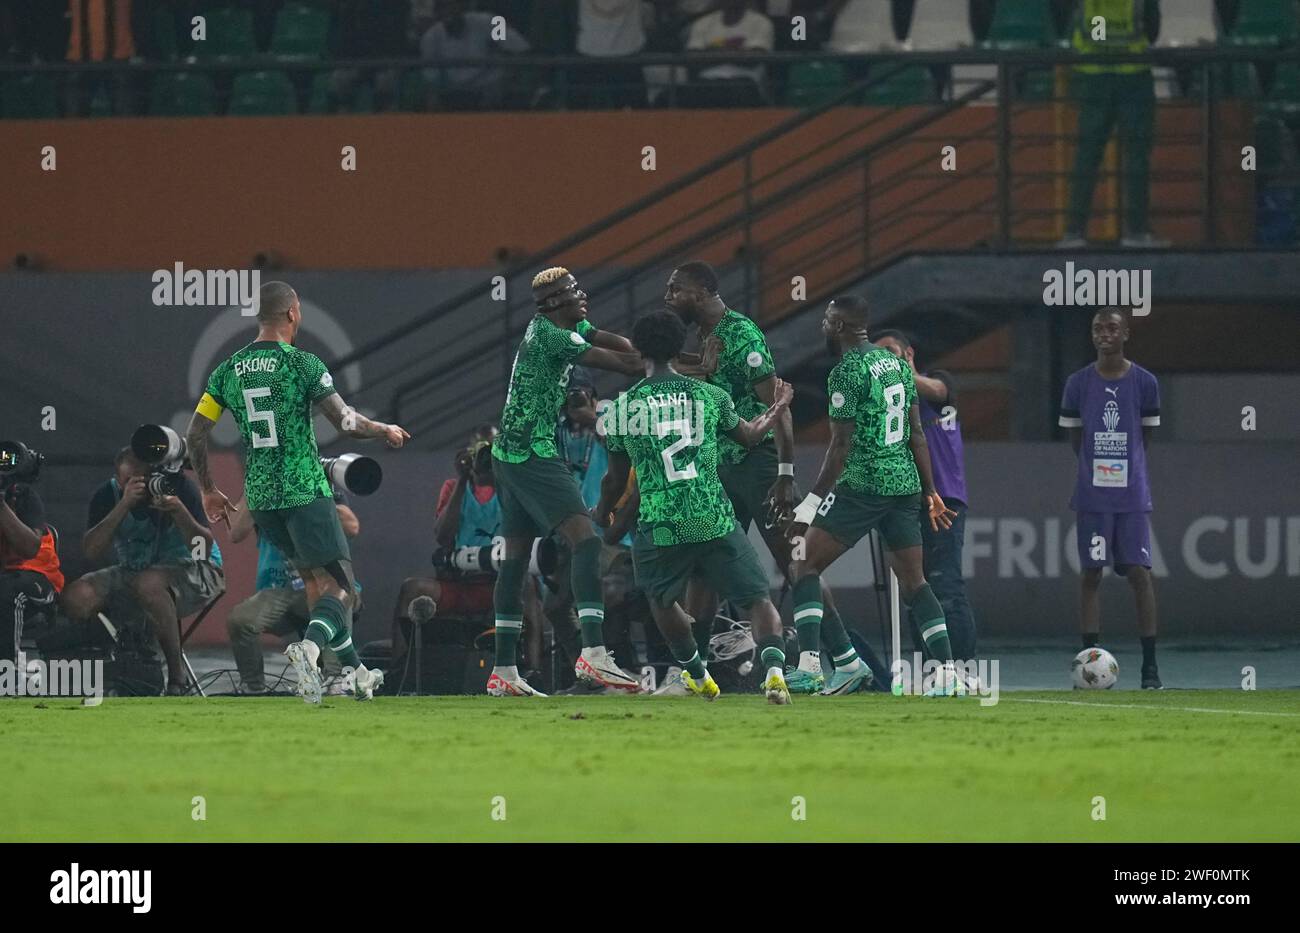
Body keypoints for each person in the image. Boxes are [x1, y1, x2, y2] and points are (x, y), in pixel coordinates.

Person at [186, 280, 411, 704]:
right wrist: (384, 429)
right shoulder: (303, 364)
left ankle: (356, 672)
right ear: (292, 314)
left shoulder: (227, 370)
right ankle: (309, 647)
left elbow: (195, 433)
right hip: (303, 488)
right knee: (341, 586)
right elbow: (346, 422)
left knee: (312, 581)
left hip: (262, 497)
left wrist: (209, 490)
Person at [594, 309, 796, 703]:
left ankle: (697, 674)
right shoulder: (709, 395)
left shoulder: (622, 409)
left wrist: (602, 514)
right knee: (757, 599)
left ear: (639, 350)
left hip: (661, 524)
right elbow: (751, 436)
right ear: (678, 349)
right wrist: (778, 405)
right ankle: (774, 672)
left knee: (661, 600)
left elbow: (614, 480)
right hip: (712, 516)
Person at [664, 261, 842, 695]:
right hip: (721, 466)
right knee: (705, 566)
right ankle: (696, 672)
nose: (669, 298)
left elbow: (778, 405)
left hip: (757, 466)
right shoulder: (705, 335)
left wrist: (785, 472)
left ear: (701, 291)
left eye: (675, 290)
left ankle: (845, 659)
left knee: (795, 560)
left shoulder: (743, 335)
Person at [786, 295, 965, 697]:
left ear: (840, 326)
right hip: (904, 486)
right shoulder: (897, 366)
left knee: (802, 564)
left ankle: (811, 667)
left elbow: (840, 447)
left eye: (827, 320)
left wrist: (810, 504)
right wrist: (930, 491)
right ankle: (948, 674)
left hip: (863, 486)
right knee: (915, 582)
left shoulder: (846, 372)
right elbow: (916, 433)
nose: (823, 326)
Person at [486, 266, 645, 697]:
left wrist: (645, 351)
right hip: (533, 454)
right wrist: (669, 360)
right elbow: (626, 364)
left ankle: (503, 670)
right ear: (555, 302)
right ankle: (594, 654)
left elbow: (617, 345)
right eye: (573, 291)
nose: (582, 295)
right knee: (587, 542)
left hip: (509, 454)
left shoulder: (561, 326)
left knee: (515, 561)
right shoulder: (553, 337)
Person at [63, 447, 225, 695]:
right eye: (131, 481)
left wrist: (179, 511)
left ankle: (177, 677)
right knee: (77, 596)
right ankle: (121, 661)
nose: (142, 486)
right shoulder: (108, 495)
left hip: (195, 569)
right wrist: (123, 505)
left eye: (146, 479)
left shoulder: (179, 487)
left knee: (148, 585)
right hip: (135, 569)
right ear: (118, 480)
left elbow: (202, 549)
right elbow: (92, 551)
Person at [1058, 308, 1162, 688]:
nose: (1104, 334)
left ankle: (1150, 668)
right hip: (1093, 497)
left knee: (1139, 573)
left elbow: (1145, 436)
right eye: (1098, 328)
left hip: (1131, 496)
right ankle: (1089, 662)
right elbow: (1076, 438)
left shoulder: (1146, 383)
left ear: (1126, 334)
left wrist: (1126, 469)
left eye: (1112, 328)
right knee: (1091, 573)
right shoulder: (1077, 383)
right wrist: (1095, 469)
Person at [872, 330, 977, 664]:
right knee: (914, 589)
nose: (884, 361)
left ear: (909, 354)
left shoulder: (938, 385)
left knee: (946, 585)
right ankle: (929, 668)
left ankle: (962, 667)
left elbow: (936, 390)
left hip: (944, 501)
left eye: (889, 352)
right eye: (878, 356)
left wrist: (892, 373)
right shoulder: (886, 402)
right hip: (904, 503)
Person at [547, 374, 645, 687]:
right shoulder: (558, 430)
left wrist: (592, 420)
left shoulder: (609, 416)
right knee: (555, 607)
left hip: (613, 534)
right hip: (573, 535)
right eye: (569, 395)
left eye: (580, 394)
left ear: (593, 397)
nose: (574, 400)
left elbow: (628, 454)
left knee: (608, 594)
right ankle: (588, 673)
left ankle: (622, 667)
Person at [226, 490, 360, 695]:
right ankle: (252, 687)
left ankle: (336, 678)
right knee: (241, 620)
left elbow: (352, 527)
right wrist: (258, 486)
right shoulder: (262, 487)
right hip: (279, 588)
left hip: (327, 582)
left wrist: (306, 496)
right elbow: (235, 533)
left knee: (336, 596)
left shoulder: (317, 483)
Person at [1057, 0, 1166, 248]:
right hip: (1134, 75)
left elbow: (1065, 20)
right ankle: (1137, 231)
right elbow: (1153, 30)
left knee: (1086, 156)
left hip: (1093, 76)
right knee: (1137, 156)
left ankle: (1074, 232)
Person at [0, 445, 63, 669]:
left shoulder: (23, 495)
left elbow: (29, 549)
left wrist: (1, 504)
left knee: (7, 593)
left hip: (37, 577)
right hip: (5, 575)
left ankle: (6, 673)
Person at [419, 0, 530, 110]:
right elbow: (431, 79)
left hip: (491, 88)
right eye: (442, 7)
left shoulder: (489, 22)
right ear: (436, 12)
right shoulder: (431, 37)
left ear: (462, 7)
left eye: (452, 5)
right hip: (454, 93)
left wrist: (509, 78)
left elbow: (521, 49)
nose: (448, 11)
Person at [683, 0, 774, 106]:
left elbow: (754, 58)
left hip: (745, 83)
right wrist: (736, 52)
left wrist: (711, 52)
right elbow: (693, 58)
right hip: (706, 82)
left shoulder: (761, 22)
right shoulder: (702, 23)